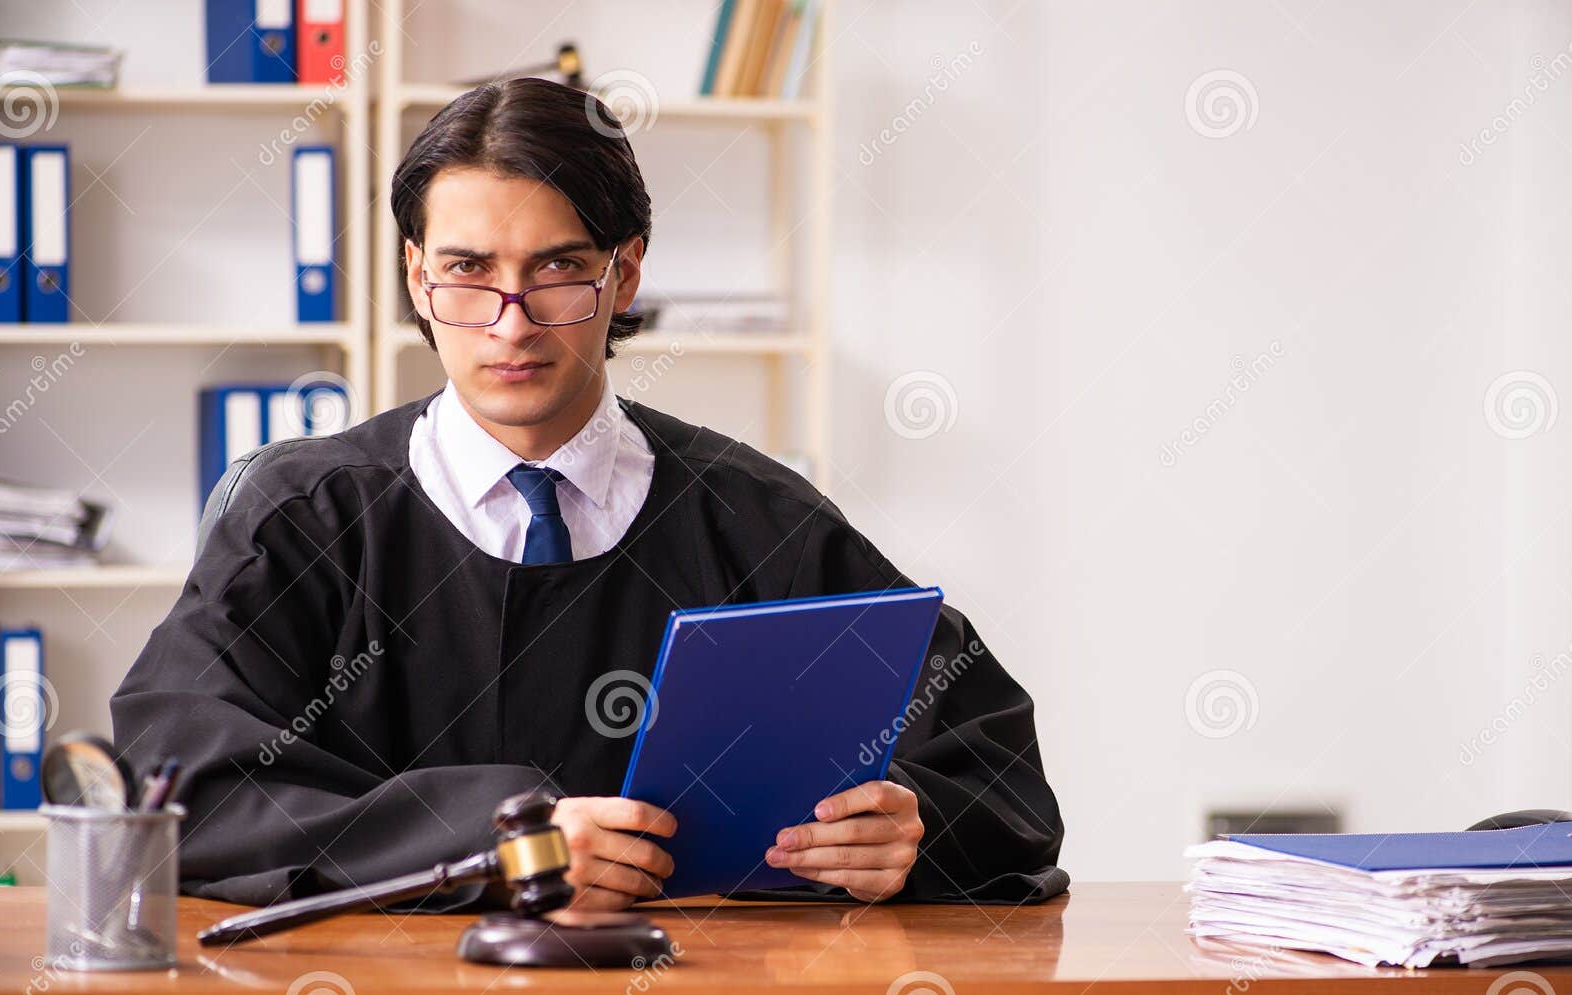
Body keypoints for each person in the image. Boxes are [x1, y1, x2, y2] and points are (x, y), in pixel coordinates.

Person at [111, 78, 1066, 913]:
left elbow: (994, 767)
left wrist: (913, 828)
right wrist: (490, 842)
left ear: (626, 273)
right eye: (468, 272)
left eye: (559, 269)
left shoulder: (758, 519)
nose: (511, 324)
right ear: (417, 275)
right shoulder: (308, 517)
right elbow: (182, 790)